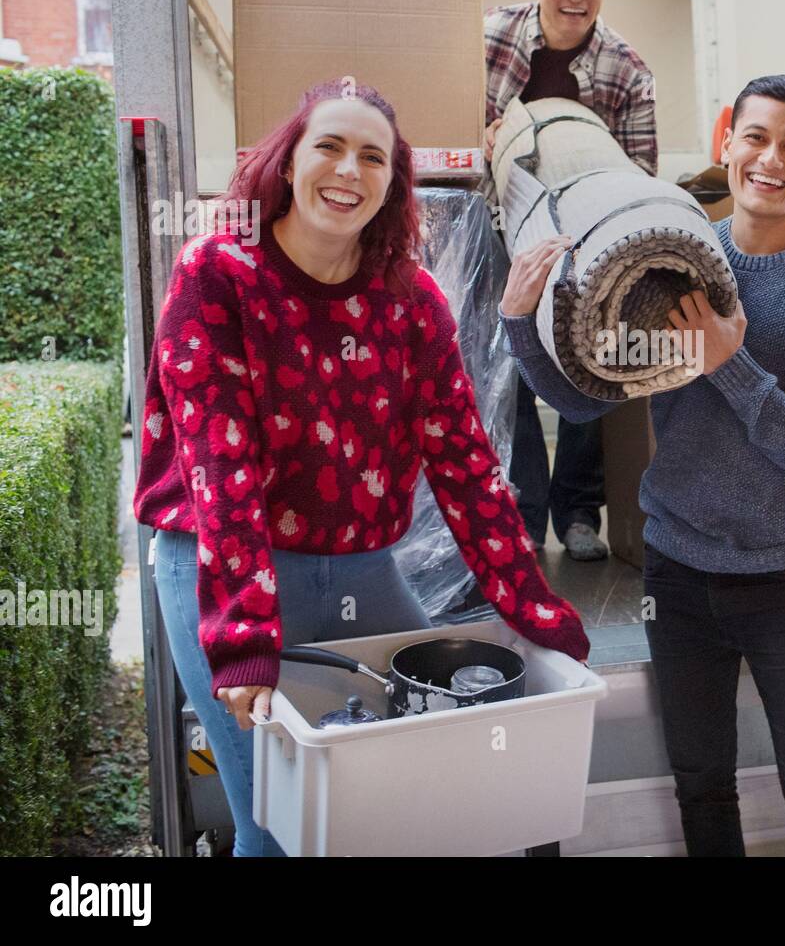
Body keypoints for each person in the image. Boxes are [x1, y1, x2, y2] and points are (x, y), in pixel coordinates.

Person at [134, 79, 590, 857]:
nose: (349, 170)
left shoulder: (411, 302)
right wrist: (244, 635)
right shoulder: (218, 271)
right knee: (277, 825)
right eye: (330, 147)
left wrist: (533, 608)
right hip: (224, 562)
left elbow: (467, 468)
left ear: (391, 183)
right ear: (288, 160)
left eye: (372, 157)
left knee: (425, 781)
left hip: (360, 568)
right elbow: (221, 464)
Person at [499, 75, 785, 856]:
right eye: (755, 137)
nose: (769, 159)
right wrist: (518, 323)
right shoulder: (669, 253)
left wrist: (731, 363)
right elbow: (582, 403)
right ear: (726, 144)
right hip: (678, 576)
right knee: (702, 791)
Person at [484, 0, 658, 562]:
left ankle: (579, 509)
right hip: (496, 224)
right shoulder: (488, 39)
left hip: (585, 234)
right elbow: (441, 129)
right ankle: (524, 514)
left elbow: (642, 170)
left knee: (589, 356)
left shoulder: (629, 69)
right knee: (509, 359)